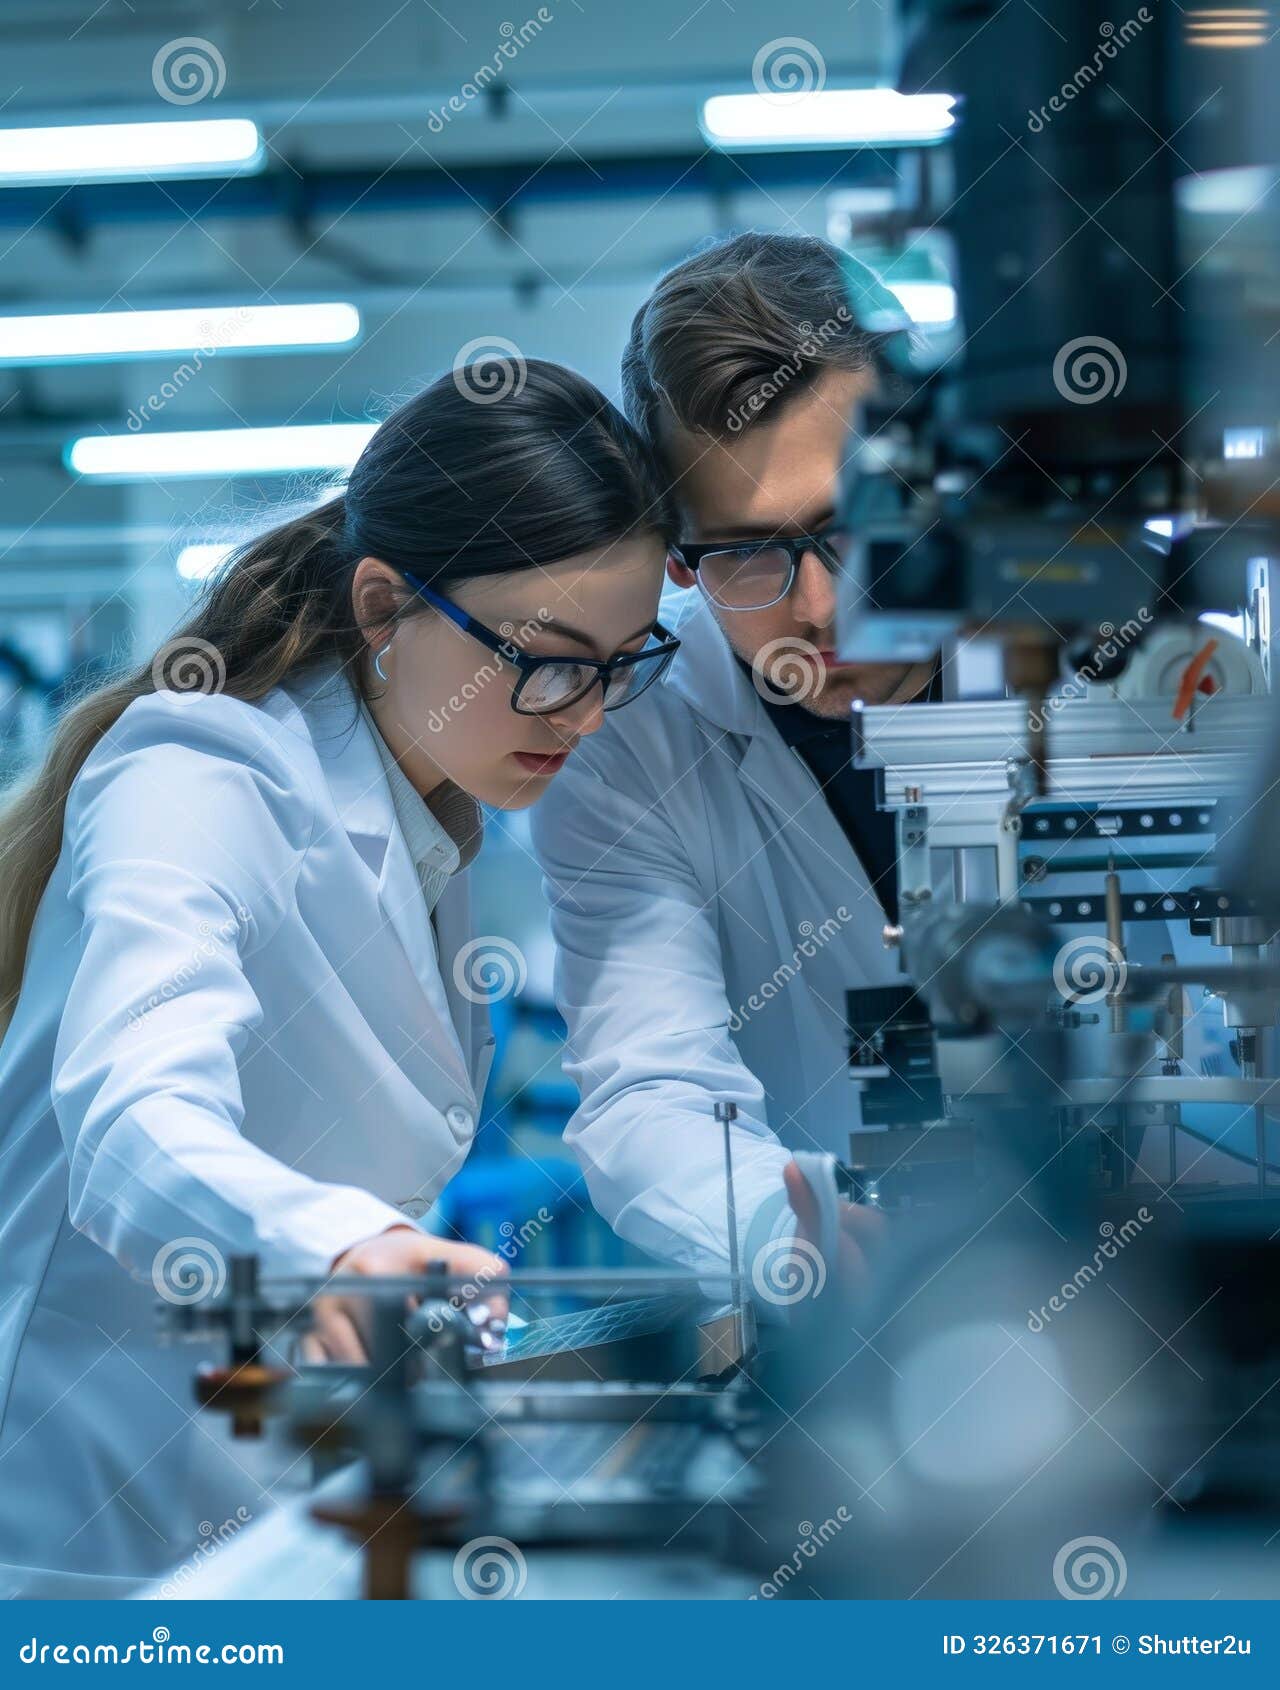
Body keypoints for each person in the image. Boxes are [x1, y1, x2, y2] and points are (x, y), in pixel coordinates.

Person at [0, 358, 678, 1595]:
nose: (584, 715)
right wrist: (340, 1250)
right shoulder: (200, 770)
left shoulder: (434, 813)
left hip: (251, 1480)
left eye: (623, 662)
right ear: (383, 607)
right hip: (82, 1517)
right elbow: (130, 1121)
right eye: (546, 657)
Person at [531, 232, 939, 1296]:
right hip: (852, 1330)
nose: (816, 608)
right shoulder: (627, 744)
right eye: (746, 552)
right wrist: (776, 1226)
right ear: (675, 555)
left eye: (852, 527)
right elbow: (647, 1086)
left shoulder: (1097, 658)